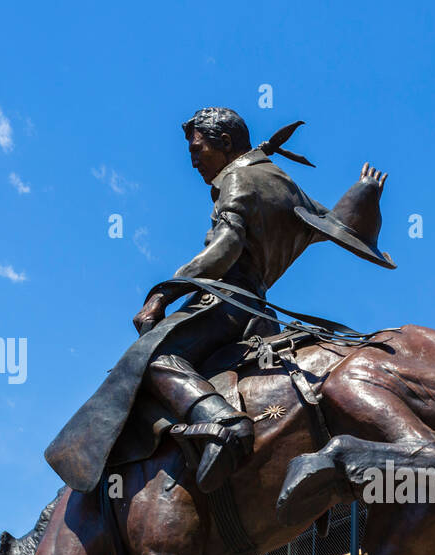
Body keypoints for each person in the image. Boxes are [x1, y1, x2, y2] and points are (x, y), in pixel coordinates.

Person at [44, 107, 393, 495]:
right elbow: (332, 225)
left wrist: (165, 291)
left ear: (225, 143)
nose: (193, 161)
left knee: (150, 358)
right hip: (260, 317)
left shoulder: (239, 177)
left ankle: (223, 425)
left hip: (225, 306)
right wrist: (364, 195)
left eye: (197, 149)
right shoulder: (282, 182)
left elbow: (227, 245)